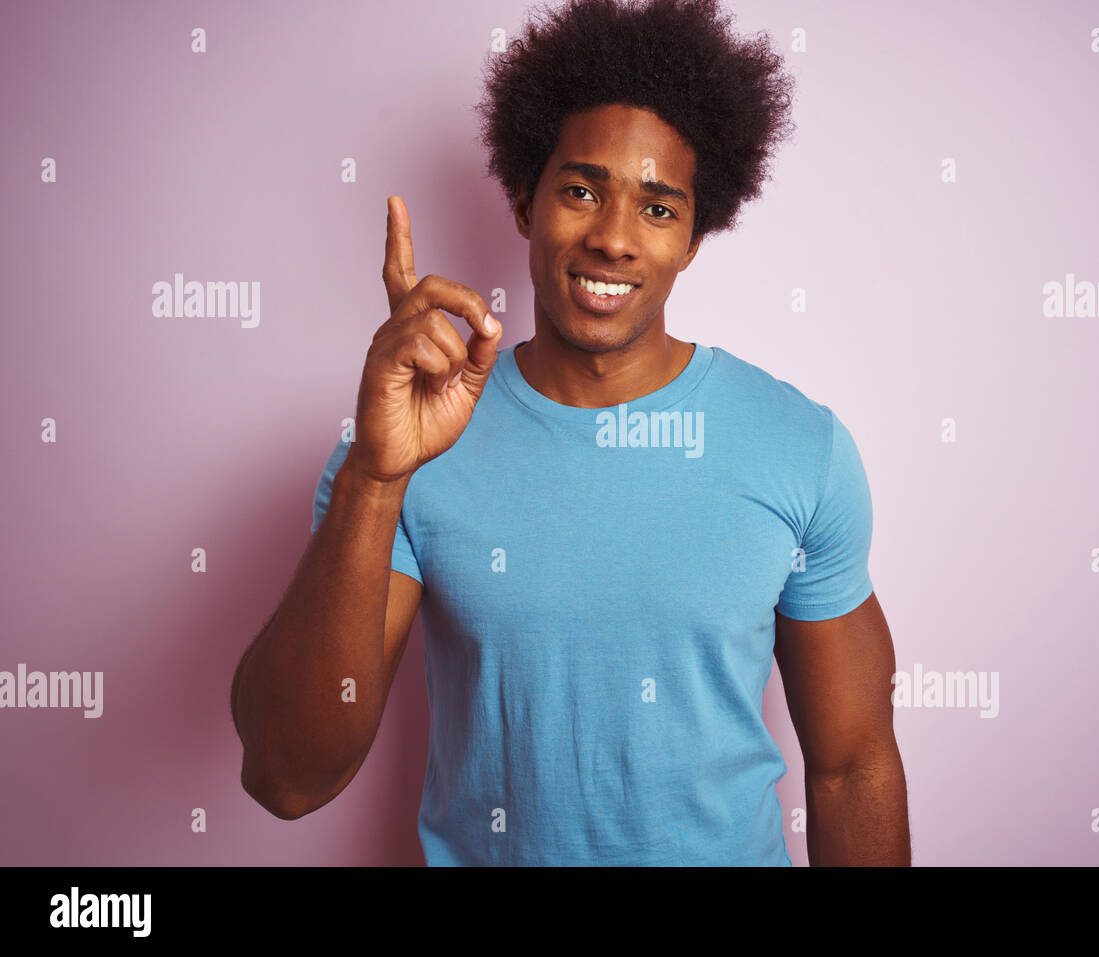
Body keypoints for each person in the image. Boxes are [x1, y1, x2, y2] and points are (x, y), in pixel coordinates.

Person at [231, 0, 909, 866]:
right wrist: (374, 476)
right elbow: (287, 777)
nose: (615, 238)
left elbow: (852, 766)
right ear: (524, 199)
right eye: (582, 190)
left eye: (659, 209)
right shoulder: (406, 448)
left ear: (695, 237)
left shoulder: (796, 448)